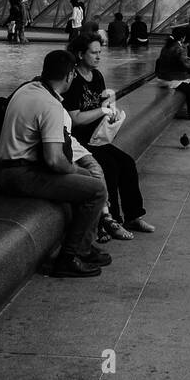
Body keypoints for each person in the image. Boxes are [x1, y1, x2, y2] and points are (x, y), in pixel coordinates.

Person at [0, 49, 111, 278]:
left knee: (85, 183)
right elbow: (54, 160)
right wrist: (77, 170)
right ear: (69, 76)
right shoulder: (50, 105)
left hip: (6, 169)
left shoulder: (27, 89)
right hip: (22, 175)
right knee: (95, 188)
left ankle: (84, 248)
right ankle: (69, 258)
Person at [63, 34, 155, 241]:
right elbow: (74, 118)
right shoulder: (72, 81)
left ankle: (134, 215)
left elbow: (102, 106)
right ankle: (112, 220)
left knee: (128, 163)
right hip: (80, 141)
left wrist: (111, 115)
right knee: (110, 168)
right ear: (80, 54)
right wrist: (103, 111)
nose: (98, 57)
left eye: (99, 52)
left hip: (98, 137)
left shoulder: (97, 77)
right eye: (94, 53)